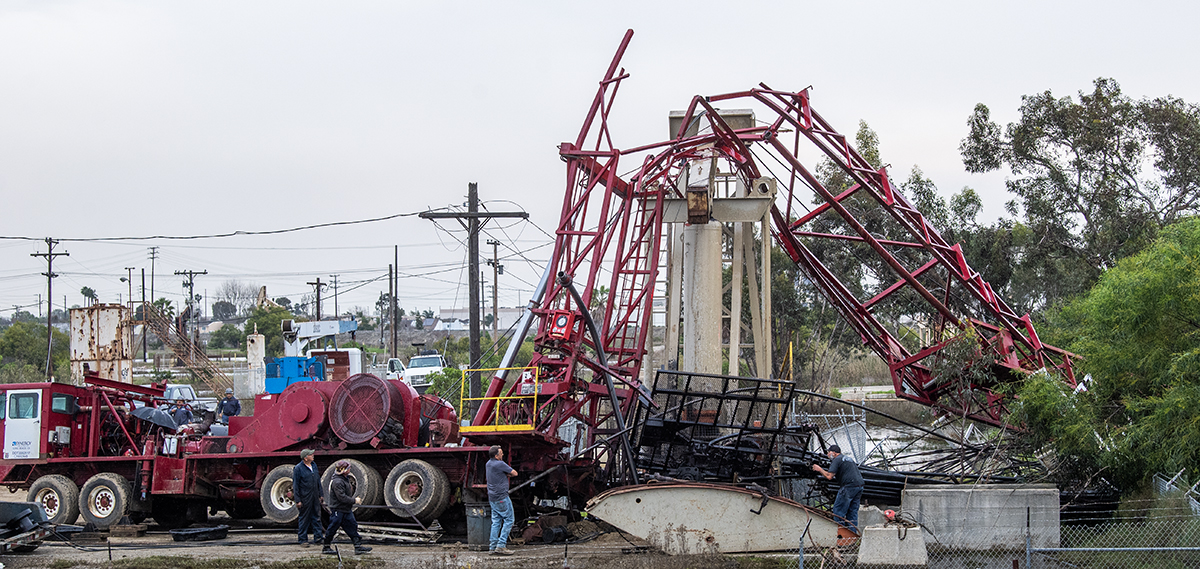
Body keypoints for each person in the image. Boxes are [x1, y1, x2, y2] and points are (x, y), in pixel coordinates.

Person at [812, 444, 865, 534]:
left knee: (838, 511)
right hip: (859, 486)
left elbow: (829, 476)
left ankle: (840, 536)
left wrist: (819, 469)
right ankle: (852, 537)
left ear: (834, 453)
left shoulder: (837, 460)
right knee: (852, 512)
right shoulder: (848, 459)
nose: (827, 454)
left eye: (829, 452)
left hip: (848, 487)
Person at [322, 460, 371, 555]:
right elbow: (341, 497)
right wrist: (354, 501)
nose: (350, 469)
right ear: (344, 470)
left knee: (352, 526)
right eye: (348, 468)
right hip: (338, 509)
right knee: (333, 527)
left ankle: (358, 546)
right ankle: (326, 547)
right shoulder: (337, 482)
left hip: (345, 509)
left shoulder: (344, 479)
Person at [486, 445, 518, 555]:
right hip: (501, 497)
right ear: (496, 455)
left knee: (496, 522)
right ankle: (501, 545)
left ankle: (492, 546)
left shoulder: (488, 464)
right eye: (501, 453)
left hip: (492, 497)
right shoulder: (499, 464)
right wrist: (507, 474)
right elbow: (515, 473)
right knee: (509, 520)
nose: (502, 454)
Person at [292, 449, 324, 546]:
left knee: (317, 517)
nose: (313, 455)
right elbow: (295, 485)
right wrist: (297, 500)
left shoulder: (314, 465)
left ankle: (318, 538)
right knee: (304, 518)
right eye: (310, 454)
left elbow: (318, 481)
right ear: (305, 458)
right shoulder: (298, 468)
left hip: (315, 496)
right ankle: (302, 540)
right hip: (305, 497)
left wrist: (321, 494)